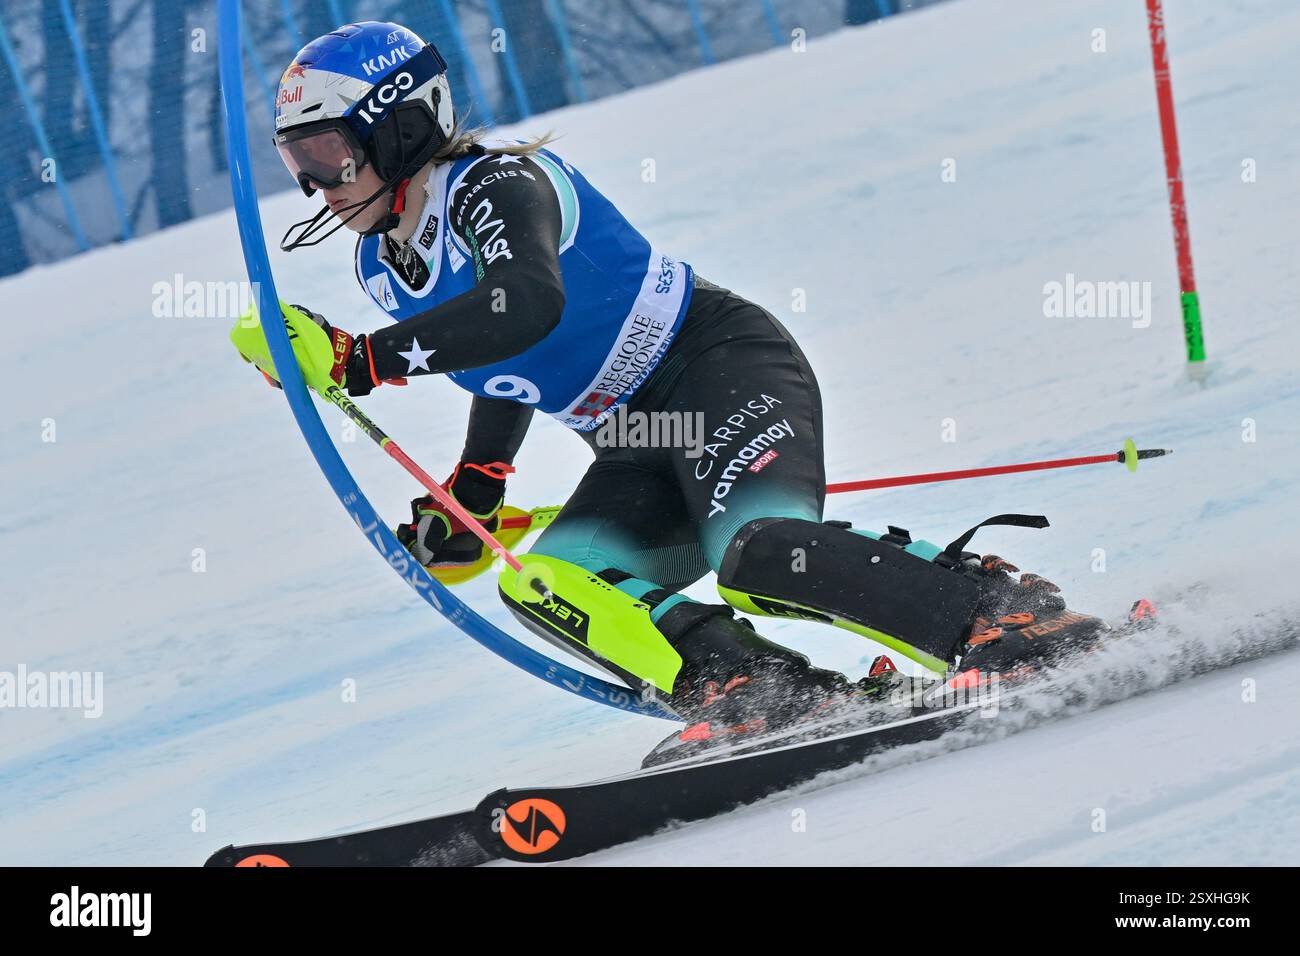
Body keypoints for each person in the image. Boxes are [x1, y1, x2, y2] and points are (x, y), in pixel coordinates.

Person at [239, 21, 1105, 754]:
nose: (316, 183)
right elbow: (499, 361)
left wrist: (365, 362)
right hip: (636, 444)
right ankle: (754, 688)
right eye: (297, 162)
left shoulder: (495, 185)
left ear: (396, 131)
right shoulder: (382, 263)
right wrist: (476, 487)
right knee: (545, 582)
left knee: (759, 553)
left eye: (328, 152)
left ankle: (1000, 615)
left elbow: (525, 303)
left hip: (713, 367)